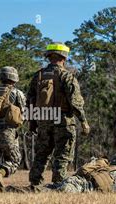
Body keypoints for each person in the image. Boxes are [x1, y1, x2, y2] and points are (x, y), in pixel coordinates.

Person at [28, 42, 90, 187]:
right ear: (64, 57)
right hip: (62, 119)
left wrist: (32, 122)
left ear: (49, 57)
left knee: (41, 154)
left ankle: (34, 183)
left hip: (43, 117)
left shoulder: (38, 76)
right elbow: (75, 102)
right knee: (62, 154)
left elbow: (29, 99)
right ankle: (58, 184)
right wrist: (83, 122)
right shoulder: (67, 76)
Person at [51, 153, 116, 193]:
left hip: (74, 181)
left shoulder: (107, 168)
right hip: (78, 186)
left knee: (49, 189)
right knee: (62, 192)